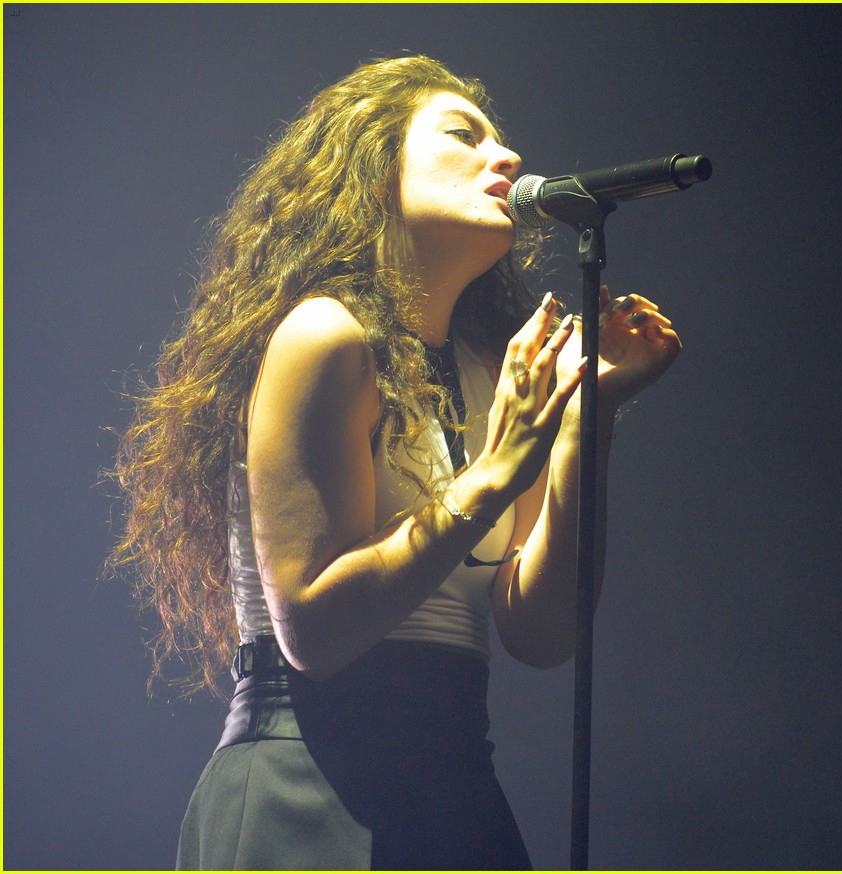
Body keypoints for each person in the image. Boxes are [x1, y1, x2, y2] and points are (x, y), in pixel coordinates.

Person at [110, 55, 680, 870]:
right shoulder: (325, 335)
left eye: (502, 141)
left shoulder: (491, 373)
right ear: (376, 170)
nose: (508, 157)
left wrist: (587, 421)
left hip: (453, 783)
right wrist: (495, 473)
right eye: (464, 135)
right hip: (306, 783)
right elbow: (314, 633)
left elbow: (541, 632)